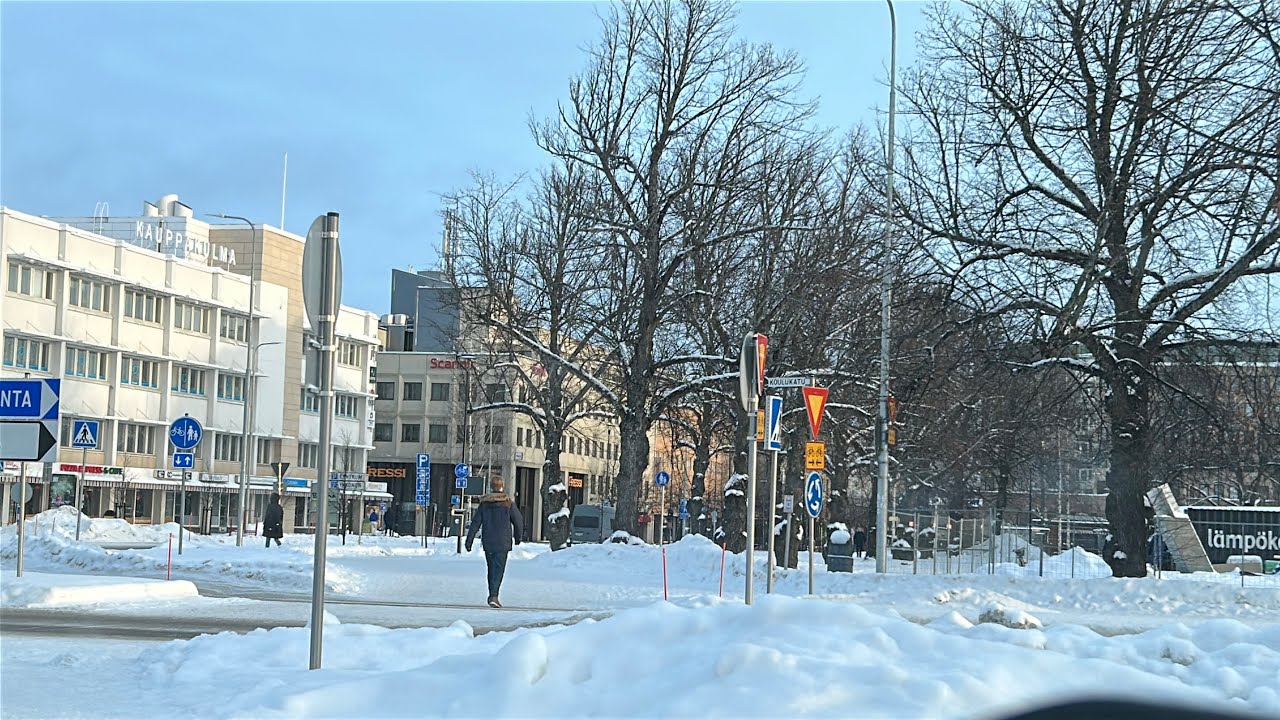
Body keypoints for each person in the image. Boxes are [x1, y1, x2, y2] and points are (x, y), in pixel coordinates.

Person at [464, 477, 524, 608]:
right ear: (502, 487)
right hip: (503, 542)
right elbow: (518, 521)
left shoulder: (484, 505)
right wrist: (518, 537)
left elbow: (475, 523)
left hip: (489, 542)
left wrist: (469, 541)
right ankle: (494, 596)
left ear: (491, 487)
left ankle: (492, 594)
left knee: (491, 569)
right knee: (499, 570)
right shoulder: (508, 504)